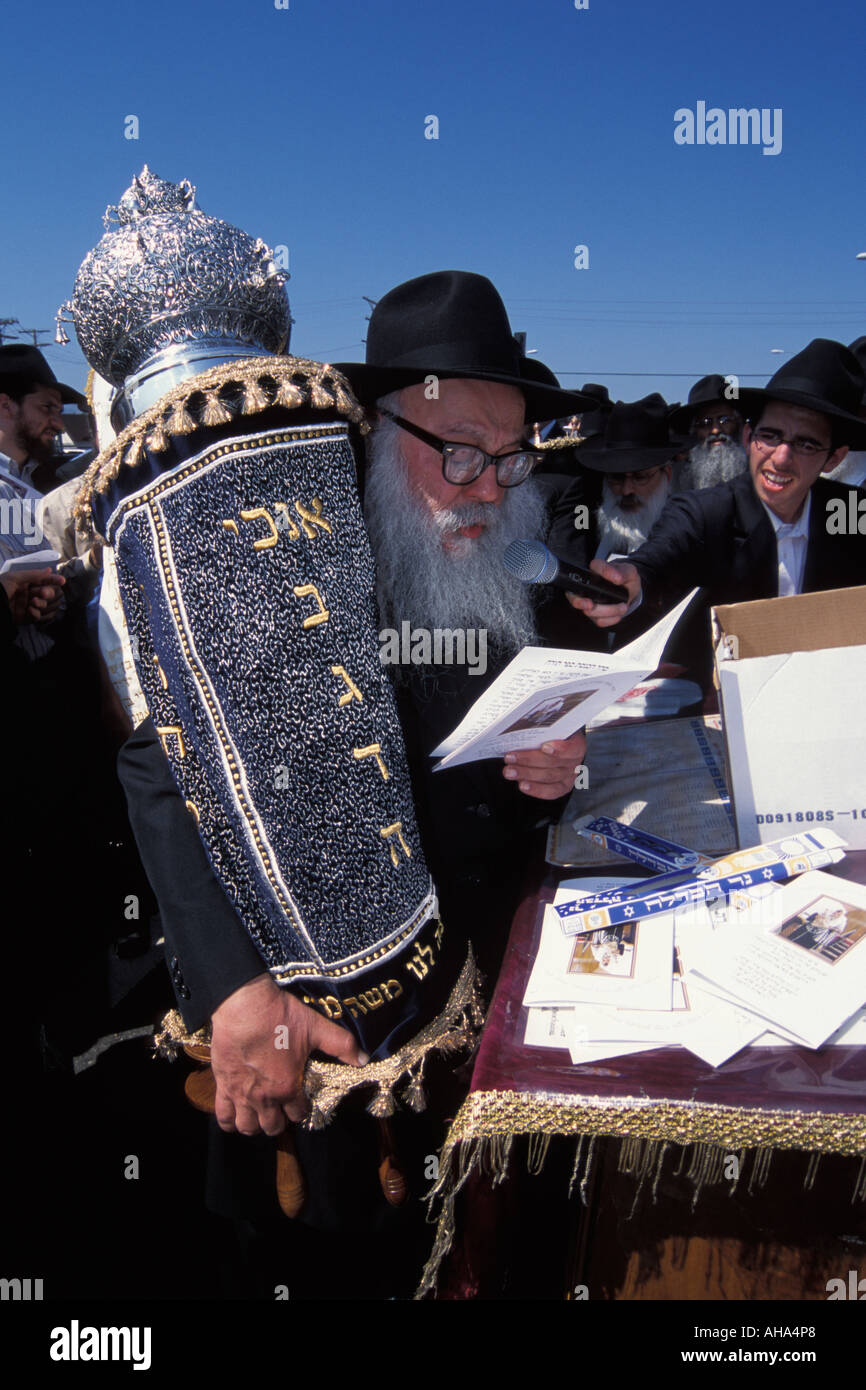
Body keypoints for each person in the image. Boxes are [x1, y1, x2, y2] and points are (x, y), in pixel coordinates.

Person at [118, 270, 590, 1152]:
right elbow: (160, 766)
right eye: (460, 449)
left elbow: (496, 760)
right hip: (315, 1028)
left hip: (467, 993)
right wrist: (234, 990)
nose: (490, 487)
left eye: (513, 453)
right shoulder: (286, 565)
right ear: (378, 429)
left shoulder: (495, 553)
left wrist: (552, 772)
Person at [567, 339, 866, 689]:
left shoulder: (851, 511)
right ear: (749, 435)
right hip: (721, 706)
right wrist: (632, 579)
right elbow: (658, 558)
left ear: (834, 458)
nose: (781, 458)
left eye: (806, 444)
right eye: (771, 436)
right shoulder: (705, 511)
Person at [669, 373, 747, 490]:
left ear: (739, 423)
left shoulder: (756, 473)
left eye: (724, 420)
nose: (715, 430)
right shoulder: (677, 479)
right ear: (694, 430)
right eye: (705, 422)